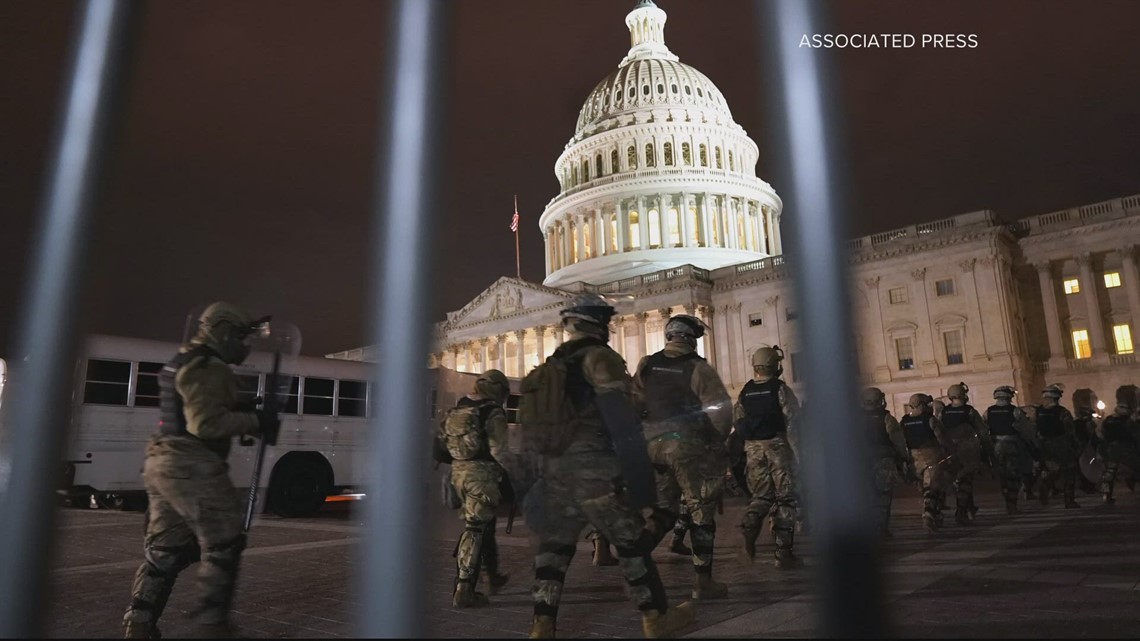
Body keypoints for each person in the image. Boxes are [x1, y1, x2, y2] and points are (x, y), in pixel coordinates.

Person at [525, 294, 694, 639]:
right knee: (631, 543)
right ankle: (654, 617)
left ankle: (542, 624)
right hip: (594, 470)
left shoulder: (554, 363)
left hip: (556, 470)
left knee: (554, 549)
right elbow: (621, 421)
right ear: (599, 323)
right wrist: (641, 480)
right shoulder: (601, 358)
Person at [122, 302, 279, 639]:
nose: (244, 344)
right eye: (240, 335)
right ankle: (213, 627)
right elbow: (206, 424)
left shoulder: (184, 357)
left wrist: (240, 407)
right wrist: (256, 420)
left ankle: (138, 625)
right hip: (192, 464)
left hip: (162, 462)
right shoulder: (211, 365)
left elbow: (189, 406)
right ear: (221, 330)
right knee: (225, 544)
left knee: (165, 552)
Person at [632, 314, 733, 599]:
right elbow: (721, 413)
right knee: (700, 512)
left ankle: (636, 560)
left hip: (653, 446)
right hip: (688, 446)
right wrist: (715, 441)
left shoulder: (647, 364)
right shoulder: (698, 368)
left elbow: (634, 400)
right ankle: (703, 582)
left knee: (664, 509)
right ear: (690, 339)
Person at [437, 369, 513, 607]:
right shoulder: (492, 412)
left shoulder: (459, 408)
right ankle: (464, 589)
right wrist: (518, 472)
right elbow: (500, 451)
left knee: (484, 526)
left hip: (458, 475)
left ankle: (492, 576)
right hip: (482, 478)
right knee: (475, 529)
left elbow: (440, 445)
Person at [735, 346, 803, 569]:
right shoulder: (780, 389)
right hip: (778, 447)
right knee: (785, 498)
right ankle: (784, 553)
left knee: (760, 497)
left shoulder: (745, 391)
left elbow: (739, 420)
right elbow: (793, 423)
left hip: (753, 450)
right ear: (776, 365)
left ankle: (749, 527)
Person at [862, 388, 913, 538]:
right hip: (884, 460)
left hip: (861, 462)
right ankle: (880, 527)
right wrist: (904, 457)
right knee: (883, 495)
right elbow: (897, 440)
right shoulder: (886, 418)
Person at [940, 383, 992, 524]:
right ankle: (961, 512)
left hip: (949, 451)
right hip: (967, 450)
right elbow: (982, 431)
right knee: (965, 480)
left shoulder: (943, 412)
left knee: (958, 480)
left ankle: (969, 507)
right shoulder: (969, 411)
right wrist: (987, 450)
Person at [900, 393, 949, 533]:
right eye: (927, 404)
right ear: (921, 405)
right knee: (932, 489)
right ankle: (928, 516)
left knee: (926, 489)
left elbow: (900, 440)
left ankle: (934, 515)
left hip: (913, 459)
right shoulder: (930, 419)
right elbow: (942, 438)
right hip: (931, 456)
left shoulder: (904, 421)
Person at [984, 386, 1037, 514]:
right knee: (1013, 475)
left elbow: (983, 428)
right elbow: (1027, 431)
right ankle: (1011, 504)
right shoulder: (1015, 411)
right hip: (1012, 446)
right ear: (1009, 397)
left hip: (995, 446)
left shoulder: (988, 411)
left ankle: (1007, 498)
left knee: (1002, 475)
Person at [1034, 384, 1081, 508]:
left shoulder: (1038, 412)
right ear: (1057, 397)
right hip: (1061, 444)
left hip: (1044, 445)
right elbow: (1070, 430)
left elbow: (1033, 428)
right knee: (1069, 471)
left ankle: (1045, 485)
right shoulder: (1063, 412)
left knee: (1053, 469)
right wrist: (1076, 445)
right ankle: (1069, 500)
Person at [1097, 386, 1140, 505]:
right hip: (1126, 449)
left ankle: (1106, 495)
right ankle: (1131, 481)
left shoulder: (1108, 420)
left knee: (1110, 472)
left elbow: (1100, 434)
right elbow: (1136, 435)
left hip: (1110, 449)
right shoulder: (1128, 421)